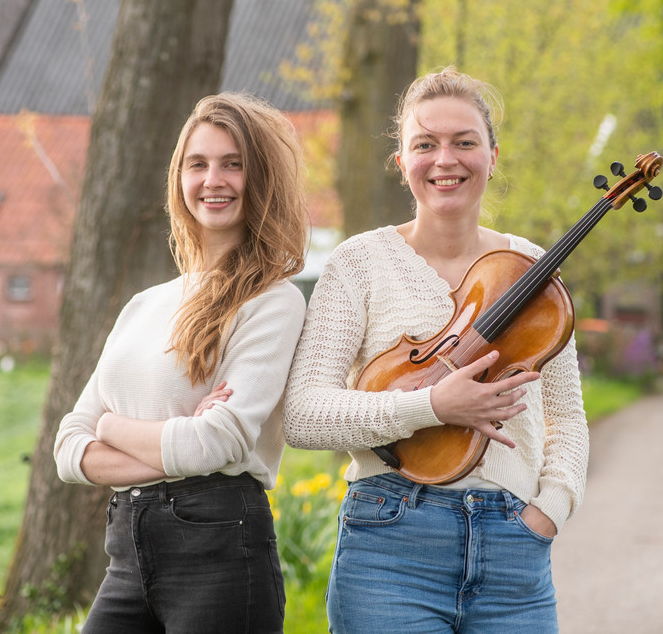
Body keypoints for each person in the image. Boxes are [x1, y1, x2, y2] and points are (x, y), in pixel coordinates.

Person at [284, 67, 589, 633]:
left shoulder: (534, 269)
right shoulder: (359, 263)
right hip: (390, 547)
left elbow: (566, 418)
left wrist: (548, 511)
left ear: (492, 156)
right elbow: (304, 417)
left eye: (464, 142)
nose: (445, 159)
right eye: (425, 144)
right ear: (402, 163)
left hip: (513, 552)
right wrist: (431, 406)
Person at [55, 93, 311, 634]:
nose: (213, 179)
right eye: (198, 163)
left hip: (220, 551)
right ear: (180, 178)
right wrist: (181, 447)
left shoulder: (272, 302)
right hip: (127, 553)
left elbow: (216, 443)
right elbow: (68, 447)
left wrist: (112, 428)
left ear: (260, 179)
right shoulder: (144, 304)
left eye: (233, 164)